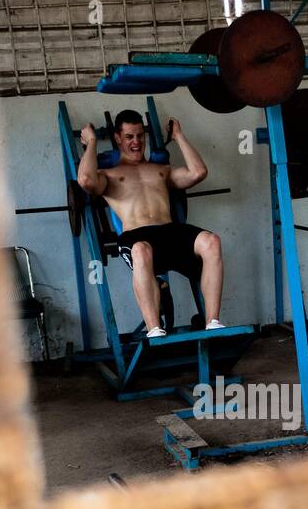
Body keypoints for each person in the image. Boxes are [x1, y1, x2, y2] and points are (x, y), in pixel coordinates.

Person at [76, 110, 224, 338]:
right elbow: (85, 180)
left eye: (140, 136)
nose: (136, 142)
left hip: (170, 230)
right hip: (136, 236)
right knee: (140, 250)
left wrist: (178, 136)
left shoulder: (161, 170)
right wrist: (92, 142)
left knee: (211, 241)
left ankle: (212, 322)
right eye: (129, 137)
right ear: (117, 138)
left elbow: (198, 172)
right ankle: (155, 329)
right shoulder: (109, 174)